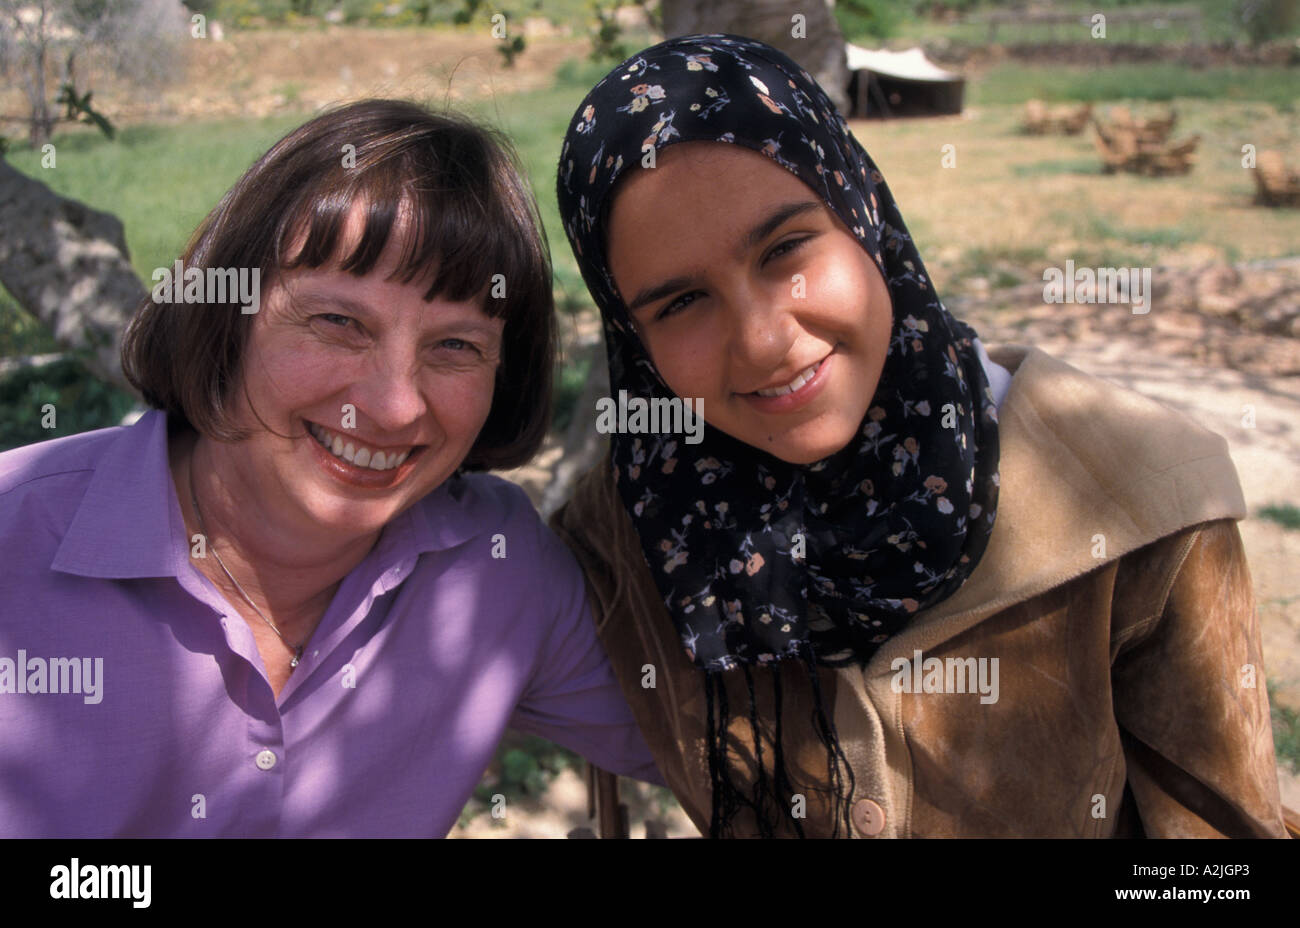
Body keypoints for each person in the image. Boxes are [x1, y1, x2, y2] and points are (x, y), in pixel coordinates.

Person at [549, 34, 1290, 838]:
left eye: (787, 248)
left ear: (863, 212)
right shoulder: (629, 536)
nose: (763, 340)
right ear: (634, 341)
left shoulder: (1141, 497)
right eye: (681, 303)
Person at [0, 99, 663, 837]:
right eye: (339, 323)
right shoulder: (14, 546)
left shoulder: (497, 568)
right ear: (228, 319)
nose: (392, 406)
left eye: (455, 347)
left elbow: (729, 749)